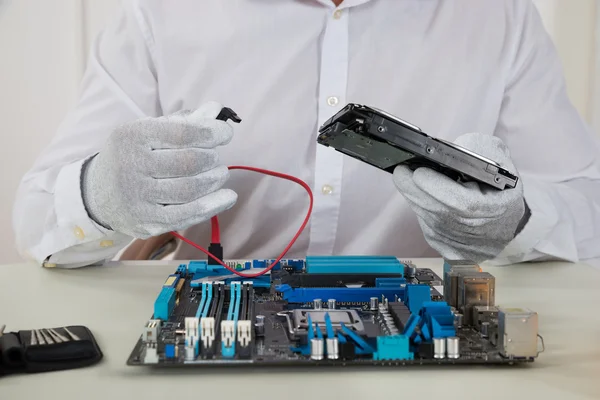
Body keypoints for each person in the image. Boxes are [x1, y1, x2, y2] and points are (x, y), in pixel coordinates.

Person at [13, 0, 600, 269]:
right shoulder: (159, 14)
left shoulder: (500, 16)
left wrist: (515, 222)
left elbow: (588, 208)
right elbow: (37, 220)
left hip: (432, 350)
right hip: (216, 342)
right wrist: (100, 193)